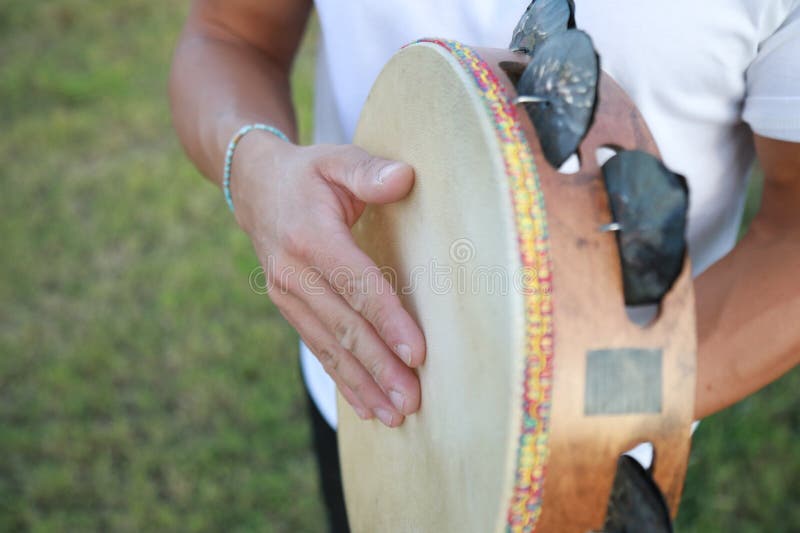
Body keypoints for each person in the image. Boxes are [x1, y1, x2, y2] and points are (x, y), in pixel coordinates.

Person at [170, 1, 800, 530]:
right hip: (370, 403)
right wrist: (256, 173)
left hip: (597, 465)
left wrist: (594, 404)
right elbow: (229, 35)